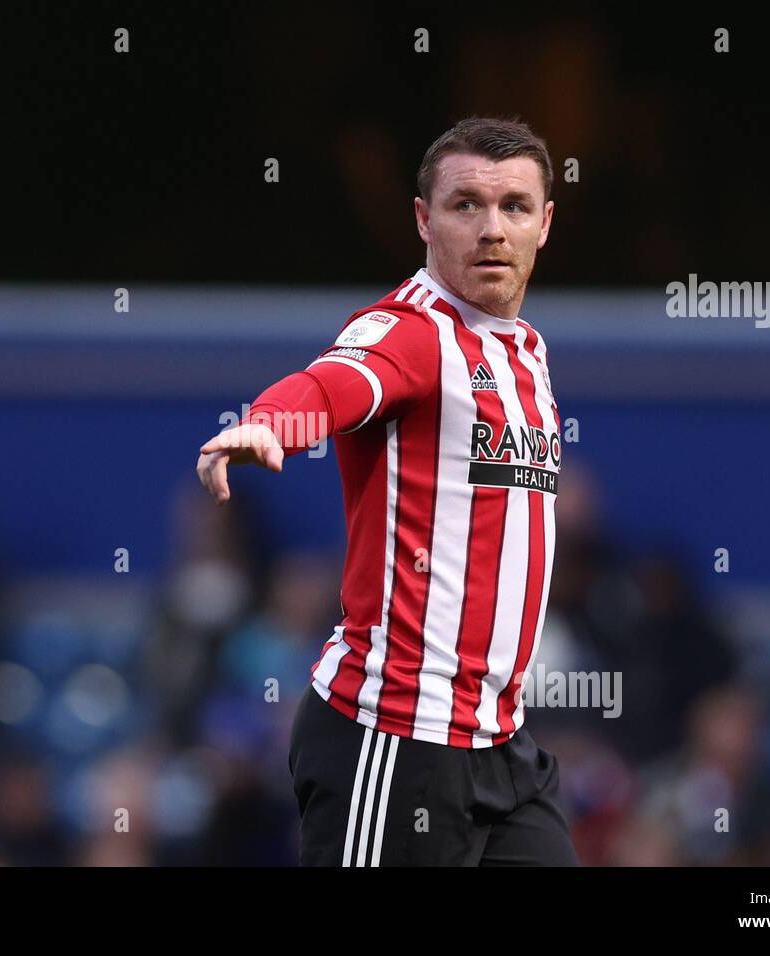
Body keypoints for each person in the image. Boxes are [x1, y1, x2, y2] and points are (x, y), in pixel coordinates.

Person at [196, 117, 577, 866]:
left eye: (514, 207)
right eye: (465, 205)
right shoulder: (411, 331)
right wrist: (271, 422)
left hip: (501, 744)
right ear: (423, 220)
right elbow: (334, 382)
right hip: (395, 736)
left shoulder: (525, 352)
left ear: (545, 224)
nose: (492, 228)